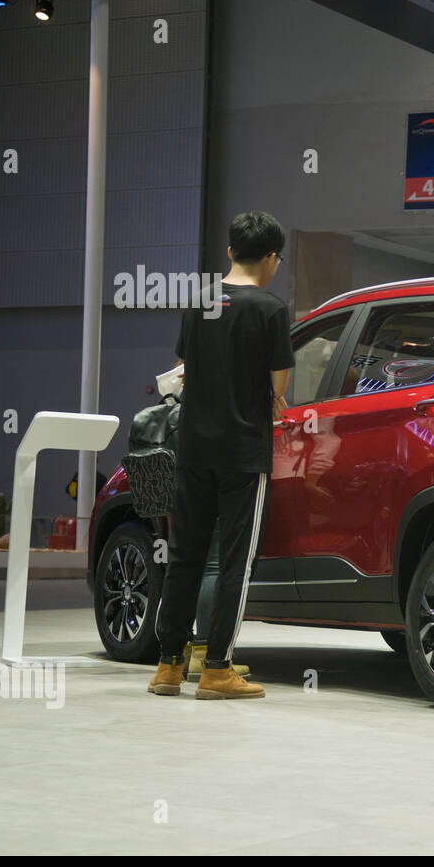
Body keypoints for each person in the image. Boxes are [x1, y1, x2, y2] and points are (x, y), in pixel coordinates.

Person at [147, 211, 294, 700]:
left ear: (230, 252)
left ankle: (168, 666)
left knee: (184, 556)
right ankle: (216, 669)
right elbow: (278, 382)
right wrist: (272, 396)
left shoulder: (199, 302)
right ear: (271, 258)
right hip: (242, 452)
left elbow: (184, 366)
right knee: (235, 561)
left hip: (192, 448)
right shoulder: (271, 309)